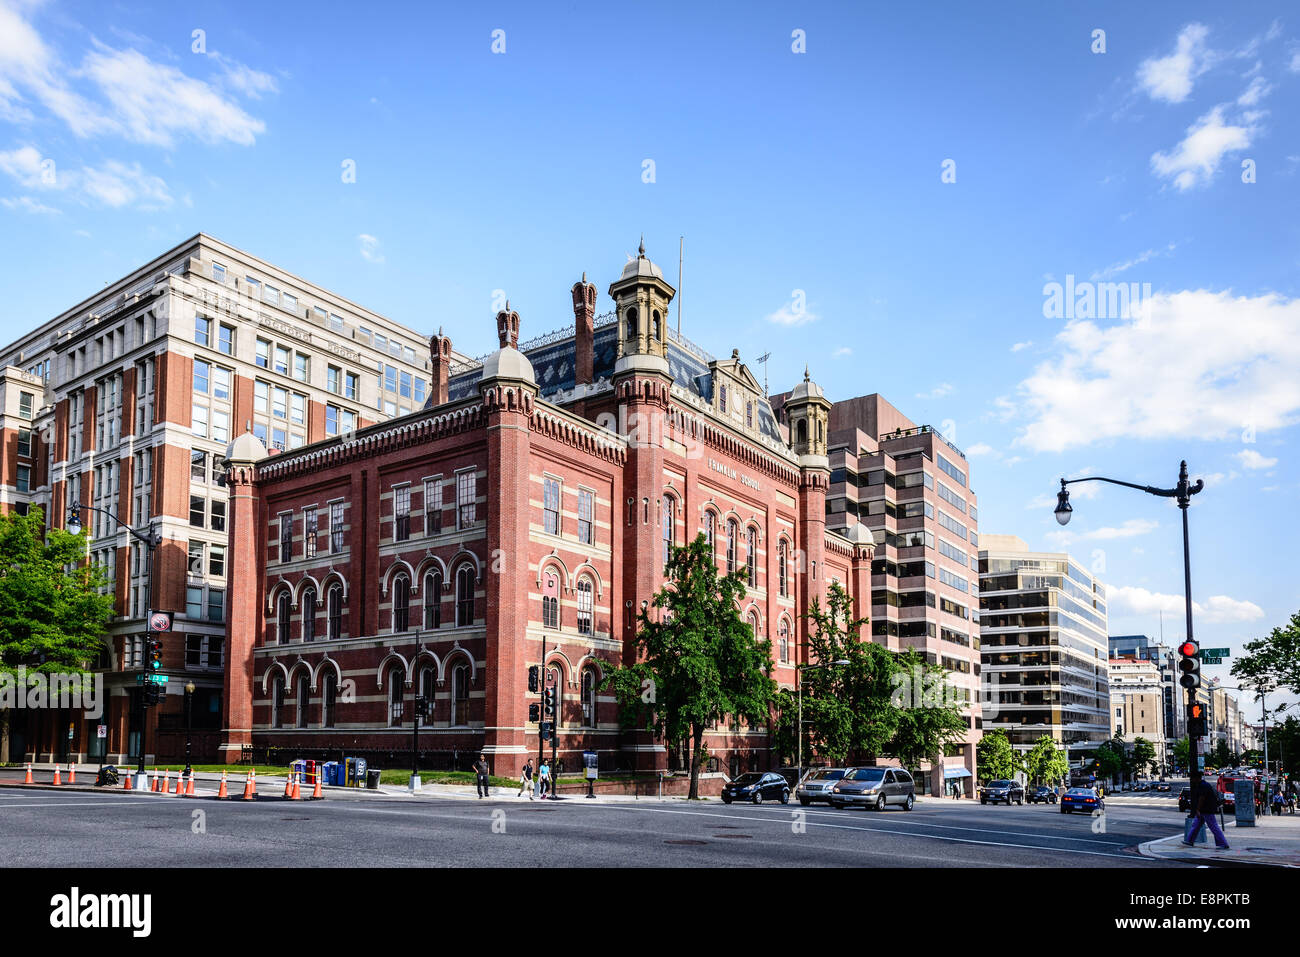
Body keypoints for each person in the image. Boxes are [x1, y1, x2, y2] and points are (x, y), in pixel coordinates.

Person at [1184, 771, 1229, 850]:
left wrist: (1198, 809)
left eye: (1192, 778)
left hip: (1206, 809)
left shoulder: (1203, 786)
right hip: (1206, 809)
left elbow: (1202, 798)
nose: (1191, 780)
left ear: (1196, 778)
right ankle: (1189, 840)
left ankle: (1223, 843)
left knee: (1213, 827)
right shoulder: (1204, 785)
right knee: (1196, 825)